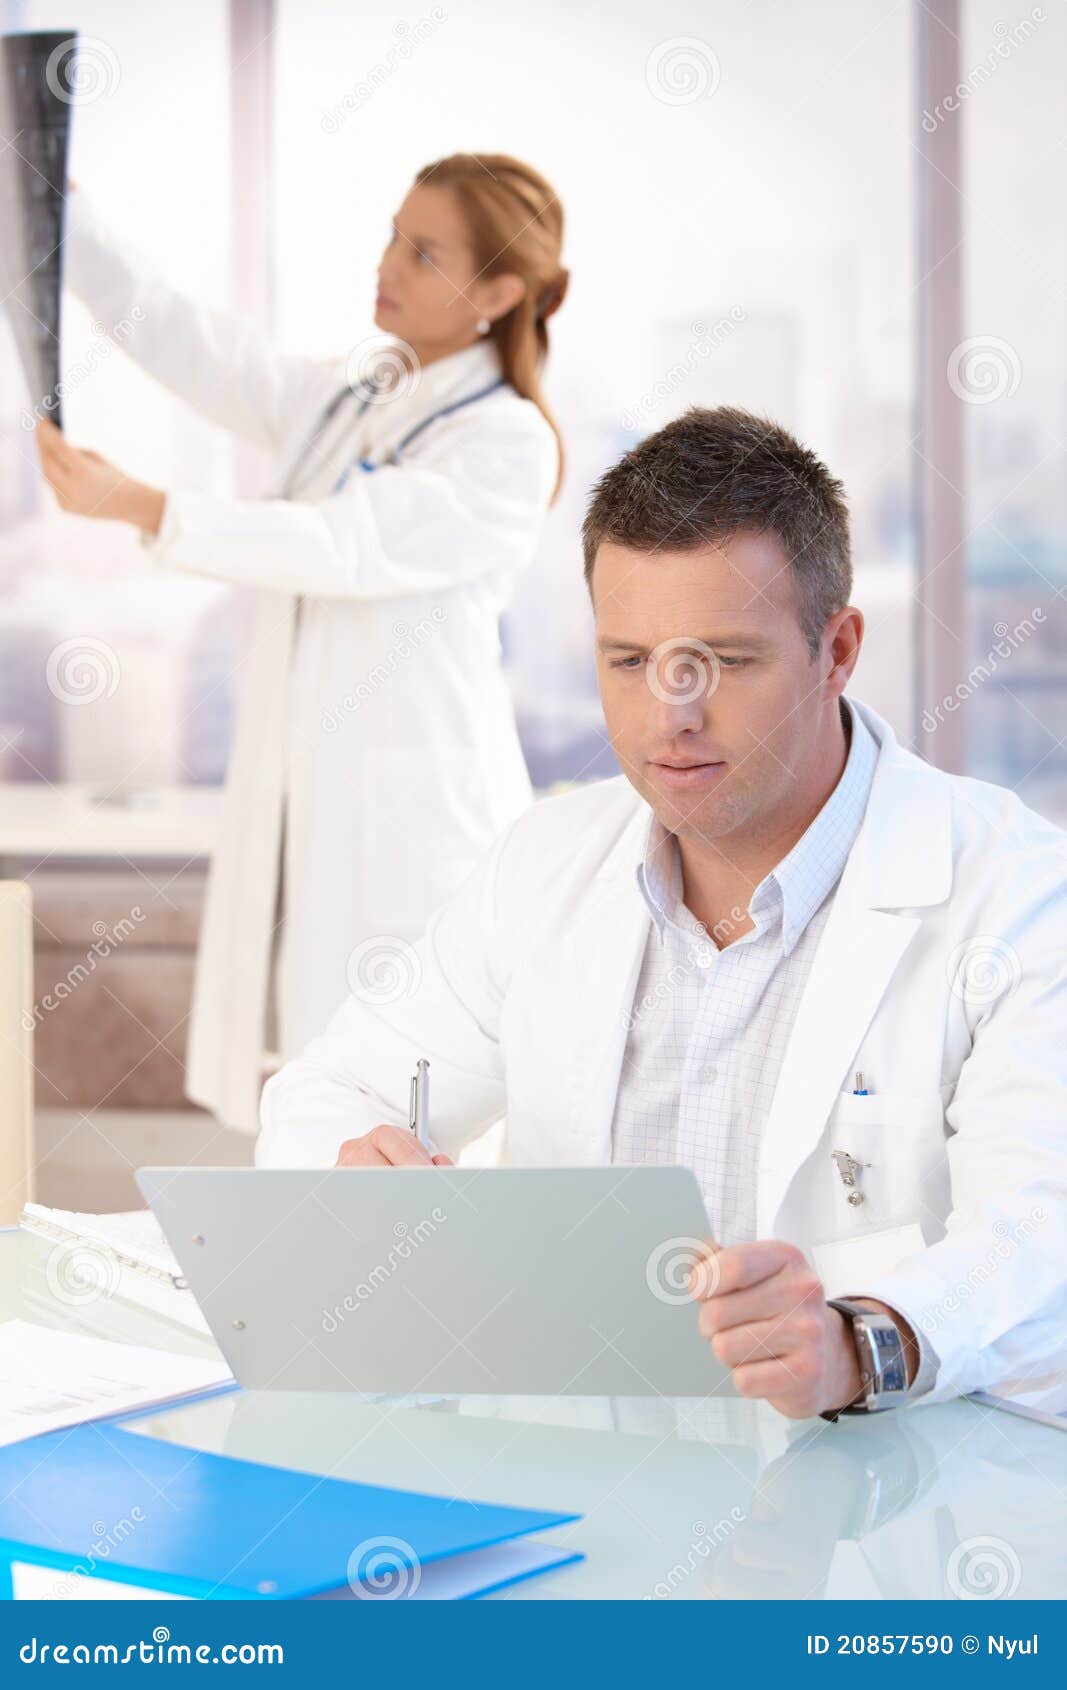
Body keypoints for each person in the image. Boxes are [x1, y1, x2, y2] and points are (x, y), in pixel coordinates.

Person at [255, 406, 1067, 1420]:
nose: (667, 714)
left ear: (837, 649)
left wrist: (858, 1344)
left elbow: (1038, 1234)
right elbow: (325, 1089)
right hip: (583, 1489)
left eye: (722, 660)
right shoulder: (543, 864)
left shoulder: (1017, 890)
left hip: (881, 1517)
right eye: (629, 660)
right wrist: (354, 1165)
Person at [34, 153, 568, 1134]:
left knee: (414, 1133)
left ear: (497, 291)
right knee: (321, 1115)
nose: (387, 263)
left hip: (421, 834)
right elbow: (196, 344)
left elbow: (343, 543)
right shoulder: (350, 395)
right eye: (390, 235)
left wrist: (142, 506)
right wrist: (61, 204)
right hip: (313, 812)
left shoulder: (504, 442)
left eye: (422, 250)